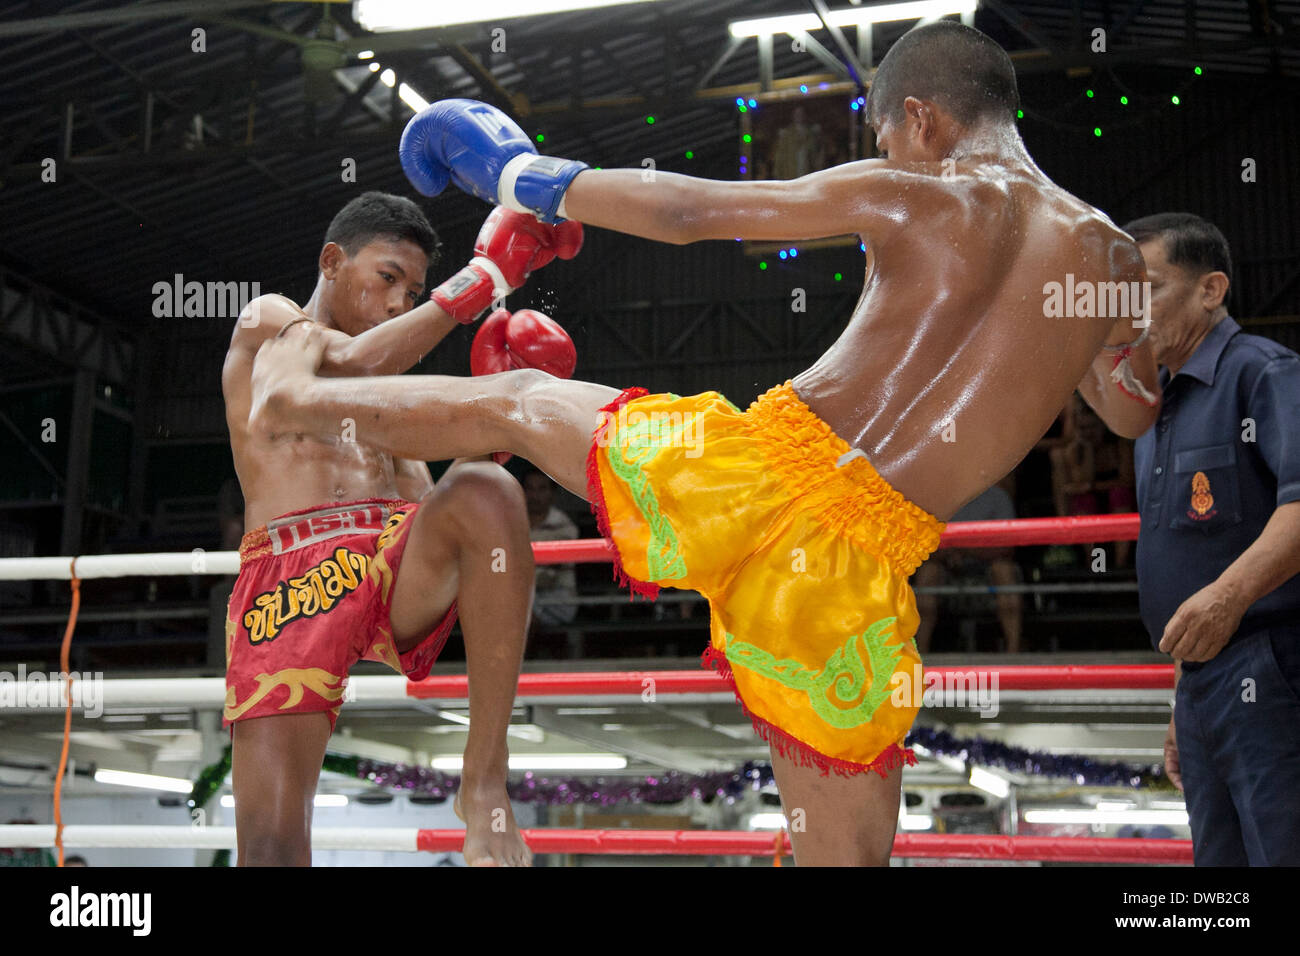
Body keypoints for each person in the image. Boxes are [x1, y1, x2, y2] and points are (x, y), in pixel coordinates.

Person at [247, 22, 1160, 865]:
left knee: (519, 400)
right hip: (851, 582)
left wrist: (518, 176)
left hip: (749, 473)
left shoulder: (915, 189)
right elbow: (1128, 412)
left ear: (919, 118)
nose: (885, 151)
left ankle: (301, 403)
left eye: (884, 134)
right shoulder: (1114, 264)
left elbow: (690, 212)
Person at [221, 191, 580, 866]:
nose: (397, 303)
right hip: (293, 575)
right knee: (270, 846)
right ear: (333, 261)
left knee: (484, 487)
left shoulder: (388, 405)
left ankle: (484, 782)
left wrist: (494, 435)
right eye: (388, 278)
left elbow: (437, 502)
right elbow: (352, 365)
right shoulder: (273, 321)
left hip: (388, 562)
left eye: (413, 292)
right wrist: (482, 281)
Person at [1117, 212, 1300, 865]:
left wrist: (1227, 599)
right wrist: (1180, 694)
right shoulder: (1154, 408)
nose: (1134, 311)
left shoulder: (1263, 372)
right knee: (1216, 865)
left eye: (1151, 288)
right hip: (1200, 678)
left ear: (1211, 289)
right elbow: (1188, 559)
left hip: (1271, 663)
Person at [913, 482, 1023, 654]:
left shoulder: (998, 497)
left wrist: (965, 550)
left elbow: (1007, 547)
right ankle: (921, 652)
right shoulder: (935, 498)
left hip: (987, 572)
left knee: (1004, 570)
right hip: (947, 569)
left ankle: (1013, 651)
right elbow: (922, 544)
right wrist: (948, 555)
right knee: (928, 572)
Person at [521, 468, 580, 631]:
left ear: (552, 494)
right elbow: (500, 565)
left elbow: (548, 578)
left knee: (518, 615)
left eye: (541, 489)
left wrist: (512, 575)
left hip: (557, 599)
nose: (535, 496)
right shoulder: (511, 523)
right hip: (519, 594)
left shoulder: (565, 527)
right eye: (530, 489)